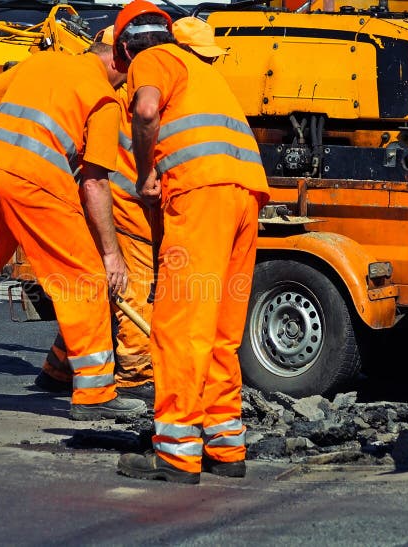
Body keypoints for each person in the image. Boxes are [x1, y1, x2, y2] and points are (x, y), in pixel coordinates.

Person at [0, 45, 147, 422]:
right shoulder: (104, 98)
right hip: (36, 185)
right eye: (130, 78)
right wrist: (111, 254)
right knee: (83, 282)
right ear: (119, 63)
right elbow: (95, 183)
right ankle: (96, 394)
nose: (129, 88)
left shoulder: (42, 62)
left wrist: (5, 157)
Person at [111, 2, 270, 484]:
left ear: (125, 47)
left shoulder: (152, 59)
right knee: (221, 327)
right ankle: (226, 447)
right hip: (245, 194)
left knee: (180, 322)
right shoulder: (202, 70)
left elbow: (144, 111)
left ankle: (177, 451)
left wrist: (145, 172)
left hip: (201, 194)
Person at [34, 26, 156, 404]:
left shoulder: (108, 92)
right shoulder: (125, 95)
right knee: (134, 288)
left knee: (100, 293)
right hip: (123, 203)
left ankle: (59, 367)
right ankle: (137, 375)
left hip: (106, 198)